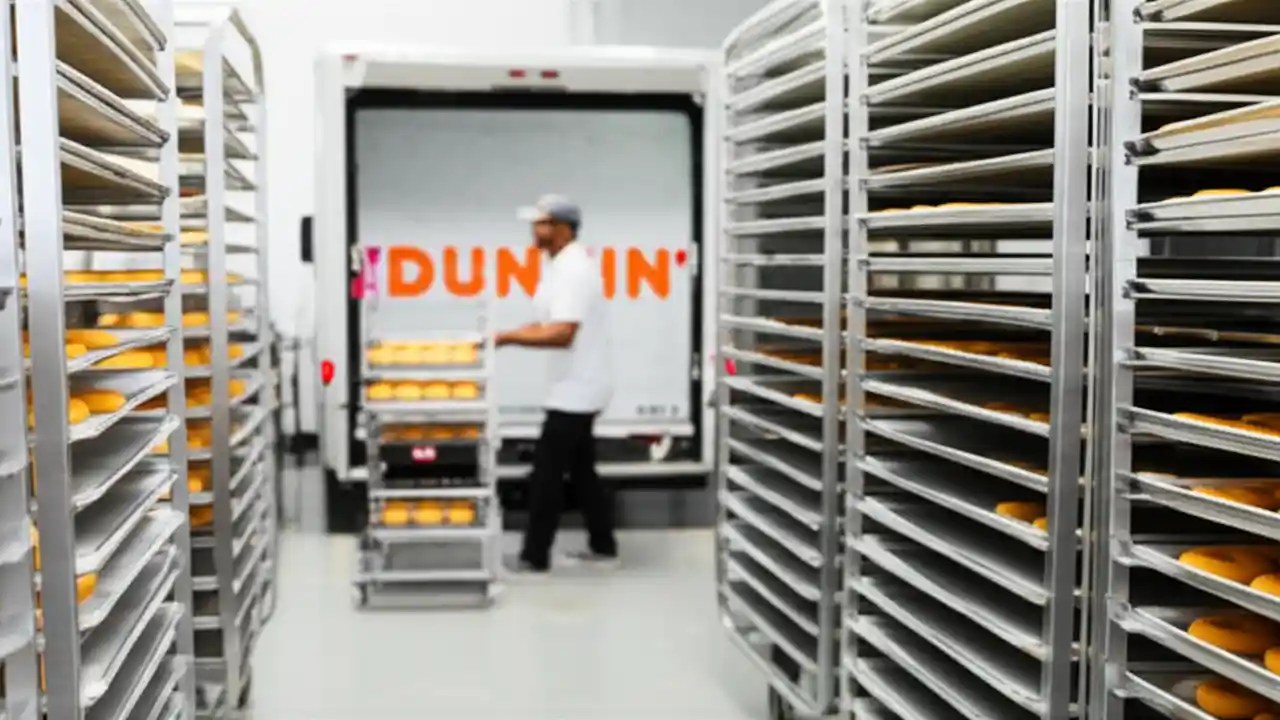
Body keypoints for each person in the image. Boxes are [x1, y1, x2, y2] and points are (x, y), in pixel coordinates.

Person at [496, 194, 616, 573]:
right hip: (574, 385)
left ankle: (534, 556)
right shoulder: (557, 264)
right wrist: (503, 334)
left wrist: (506, 339)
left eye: (542, 223)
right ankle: (604, 544)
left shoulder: (574, 269)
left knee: (547, 472)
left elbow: (563, 334)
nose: (535, 230)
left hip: (578, 389)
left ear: (563, 228)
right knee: (582, 469)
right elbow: (547, 323)